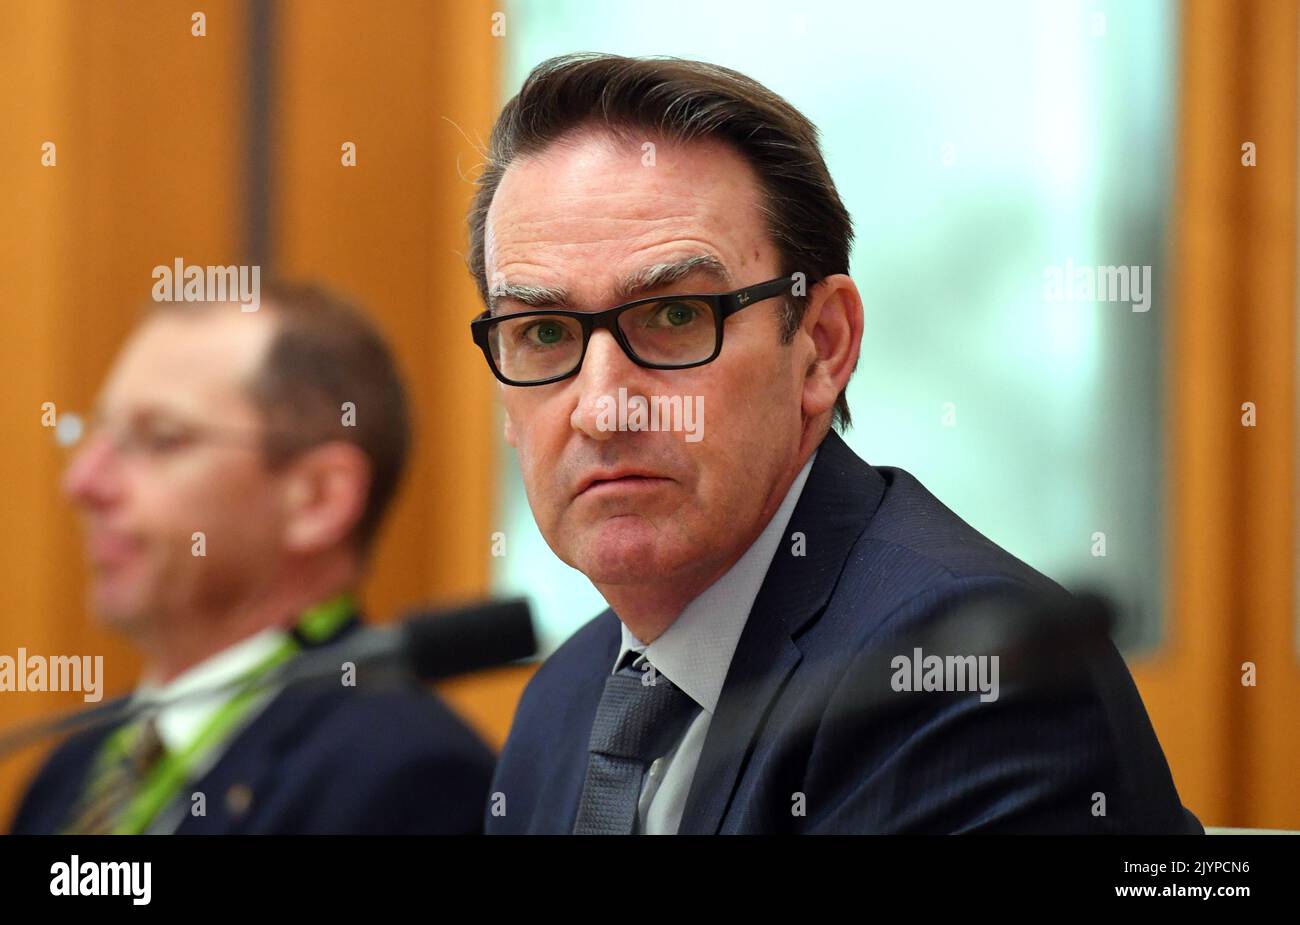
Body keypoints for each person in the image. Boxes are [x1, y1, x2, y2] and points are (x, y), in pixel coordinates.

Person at [468, 54, 1202, 834]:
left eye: (677, 316)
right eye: (543, 332)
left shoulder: (958, 675)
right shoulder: (565, 702)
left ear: (821, 345)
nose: (602, 408)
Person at [11, 283, 493, 834]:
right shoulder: (70, 768)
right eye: (98, 433)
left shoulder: (401, 776)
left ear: (317, 499)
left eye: (160, 438)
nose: (83, 482)